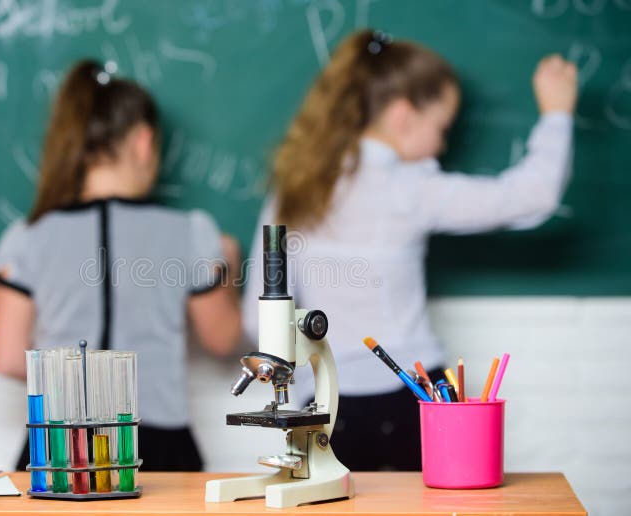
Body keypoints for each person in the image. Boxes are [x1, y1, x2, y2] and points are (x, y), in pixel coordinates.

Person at [242, 30, 577, 470]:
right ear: (403, 115)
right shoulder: (410, 187)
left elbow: (256, 318)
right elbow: (532, 196)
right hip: (413, 400)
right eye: (440, 128)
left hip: (324, 410)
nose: (441, 145)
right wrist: (557, 113)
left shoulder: (294, 191)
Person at [0, 59, 242, 472]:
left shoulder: (27, 235)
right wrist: (226, 264)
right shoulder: (191, 232)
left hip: (58, 448)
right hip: (159, 445)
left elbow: (7, 357)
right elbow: (222, 339)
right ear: (143, 142)